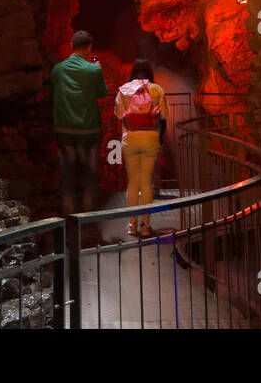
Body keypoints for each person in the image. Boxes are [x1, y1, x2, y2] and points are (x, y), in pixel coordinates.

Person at [48, 30, 108, 216]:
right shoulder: (93, 69)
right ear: (89, 48)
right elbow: (102, 93)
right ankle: (87, 219)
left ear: (72, 47)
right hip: (88, 129)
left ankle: (68, 219)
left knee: (67, 176)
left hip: (64, 129)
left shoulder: (57, 69)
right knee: (89, 175)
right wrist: (97, 68)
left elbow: (52, 95)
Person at [114, 58, 170, 237]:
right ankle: (145, 226)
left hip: (130, 138)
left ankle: (131, 225)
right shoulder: (156, 89)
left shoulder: (124, 89)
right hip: (150, 138)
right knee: (146, 182)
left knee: (133, 182)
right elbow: (164, 116)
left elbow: (119, 114)